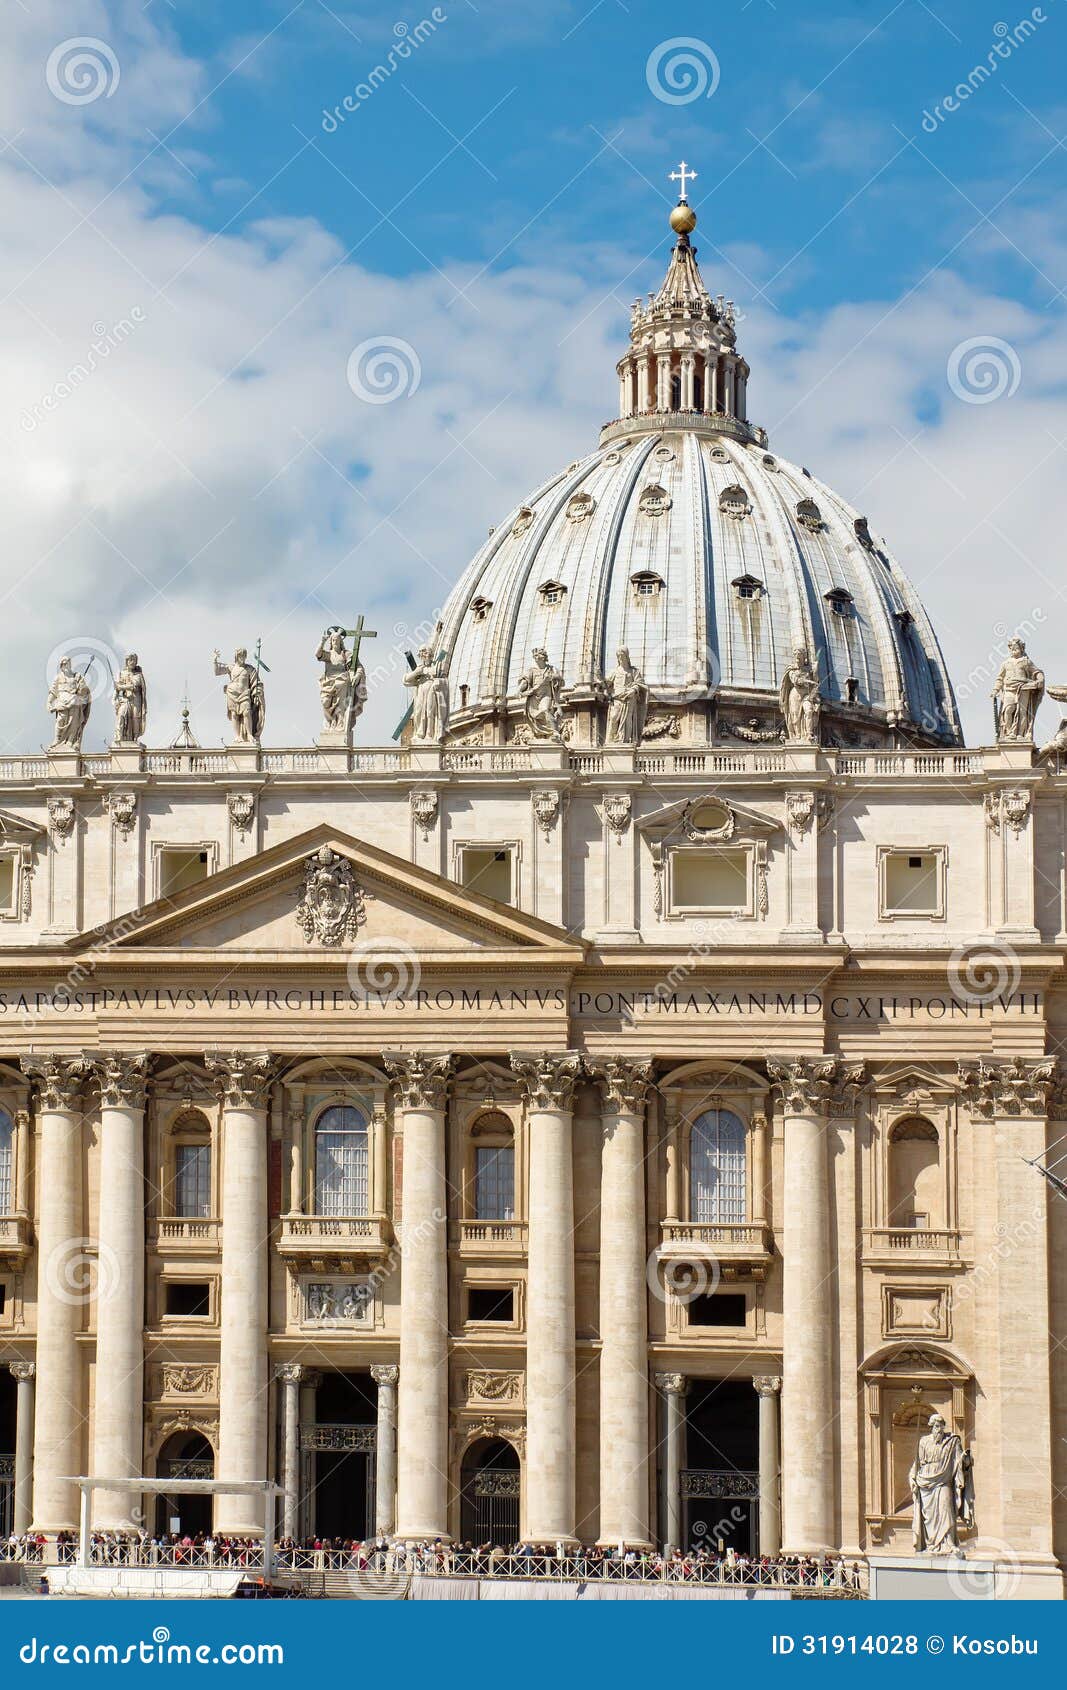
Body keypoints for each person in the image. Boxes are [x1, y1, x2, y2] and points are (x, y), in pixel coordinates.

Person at [909, 1412, 973, 1553]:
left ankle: (949, 1543)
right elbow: (918, 1463)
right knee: (930, 1515)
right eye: (936, 1426)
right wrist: (913, 1478)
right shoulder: (923, 1442)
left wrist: (966, 1459)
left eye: (941, 1426)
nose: (939, 1429)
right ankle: (930, 1543)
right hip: (926, 1482)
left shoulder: (952, 1441)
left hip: (944, 1481)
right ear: (931, 1427)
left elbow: (960, 1461)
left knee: (946, 1510)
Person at [316, 628, 367, 734]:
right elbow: (317, 654)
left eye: (337, 640)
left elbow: (359, 667)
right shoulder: (328, 654)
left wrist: (357, 675)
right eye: (333, 640)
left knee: (341, 705)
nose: (335, 642)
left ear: (340, 641)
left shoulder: (346, 654)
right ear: (331, 641)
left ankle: (339, 724)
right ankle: (330, 722)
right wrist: (322, 641)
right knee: (325, 702)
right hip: (328, 682)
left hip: (342, 681)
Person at [992, 637, 1044, 741]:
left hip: (1024, 688)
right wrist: (995, 690)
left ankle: (1020, 734)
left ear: (1022, 649)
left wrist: (1040, 680)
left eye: (1016, 648)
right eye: (1012, 648)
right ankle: (1009, 732)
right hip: (1009, 688)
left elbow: (1037, 672)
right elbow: (1000, 678)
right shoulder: (1005, 664)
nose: (1014, 650)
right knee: (1008, 710)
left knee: (1022, 711)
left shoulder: (1026, 662)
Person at [213, 647, 265, 743]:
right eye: (241, 656)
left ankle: (249, 735)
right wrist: (215, 660)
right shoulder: (231, 667)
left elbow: (257, 682)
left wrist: (258, 690)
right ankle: (237, 736)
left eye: (244, 656)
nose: (243, 658)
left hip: (244, 693)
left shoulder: (249, 669)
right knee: (234, 714)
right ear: (237, 656)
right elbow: (217, 672)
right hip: (232, 693)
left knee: (246, 712)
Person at [518, 648, 565, 741]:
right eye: (534, 656)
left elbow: (562, 682)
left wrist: (553, 677)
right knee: (536, 714)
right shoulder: (531, 670)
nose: (535, 658)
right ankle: (542, 731)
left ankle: (554, 731)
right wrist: (519, 691)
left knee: (545, 710)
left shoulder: (552, 669)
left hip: (546, 695)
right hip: (534, 696)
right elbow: (525, 682)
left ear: (543, 658)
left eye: (537, 656)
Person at [404, 647, 449, 742]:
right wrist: (416, 673)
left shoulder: (436, 667)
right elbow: (405, 680)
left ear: (431, 656)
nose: (425, 657)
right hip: (421, 691)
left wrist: (438, 682)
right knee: (419, 711)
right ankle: (420, 733)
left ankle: (429, 733)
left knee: (430, 711)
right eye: (423, 655)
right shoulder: (419, 668)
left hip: (432, 691)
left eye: (427, 654)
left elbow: (445, 681)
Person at [604, 648, 648, 744]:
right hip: (617, 697)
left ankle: (625, 740)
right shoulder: (614, 672)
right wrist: (600, 679)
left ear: (627, 656)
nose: (620, 658)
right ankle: (611, 740)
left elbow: (640, 684)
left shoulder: (634, 671)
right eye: (618, 656)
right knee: (614, 717)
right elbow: (606, 683)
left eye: (622, 655)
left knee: (628, 719)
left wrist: (633, 690)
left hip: (630, 697)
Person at [48, 656, 92, 749]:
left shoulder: (77, 676)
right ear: (61, 665)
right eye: (64, 663)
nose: (66, 665)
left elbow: (84, 690)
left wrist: (81, 686)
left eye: (67, 663)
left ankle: (70, 741)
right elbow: (53, 691)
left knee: (74, 721)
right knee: (60, 720)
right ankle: (57, 739)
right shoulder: (58, 677)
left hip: (74, 700)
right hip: (62, 701)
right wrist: (49, 702)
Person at [779, 646, 821, 742]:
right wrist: (809, 682)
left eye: (800, 656)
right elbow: (796, 680)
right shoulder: (792, 669)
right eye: (796, 656)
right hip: (795, 694)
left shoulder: (809, 669)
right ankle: (798, 736)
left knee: (809, 711)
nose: (798, 658)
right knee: (795, 716)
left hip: (807, 695)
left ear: (804, 656)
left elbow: (816, 681)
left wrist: (815, 672)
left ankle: (809, 734)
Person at [113, 653, 147, 742]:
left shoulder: (138, 675)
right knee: (121, 715)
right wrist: (116, 696)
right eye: (130, 660)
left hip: (136, 700)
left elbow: (135, 686)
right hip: (125, 700)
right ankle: (119, 736)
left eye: (134, 660)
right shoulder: (121, 673)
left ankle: (135, 738)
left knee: (136, 718)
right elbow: (117, 688)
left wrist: (122, 686)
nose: (132, 662)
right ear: (127, 662)